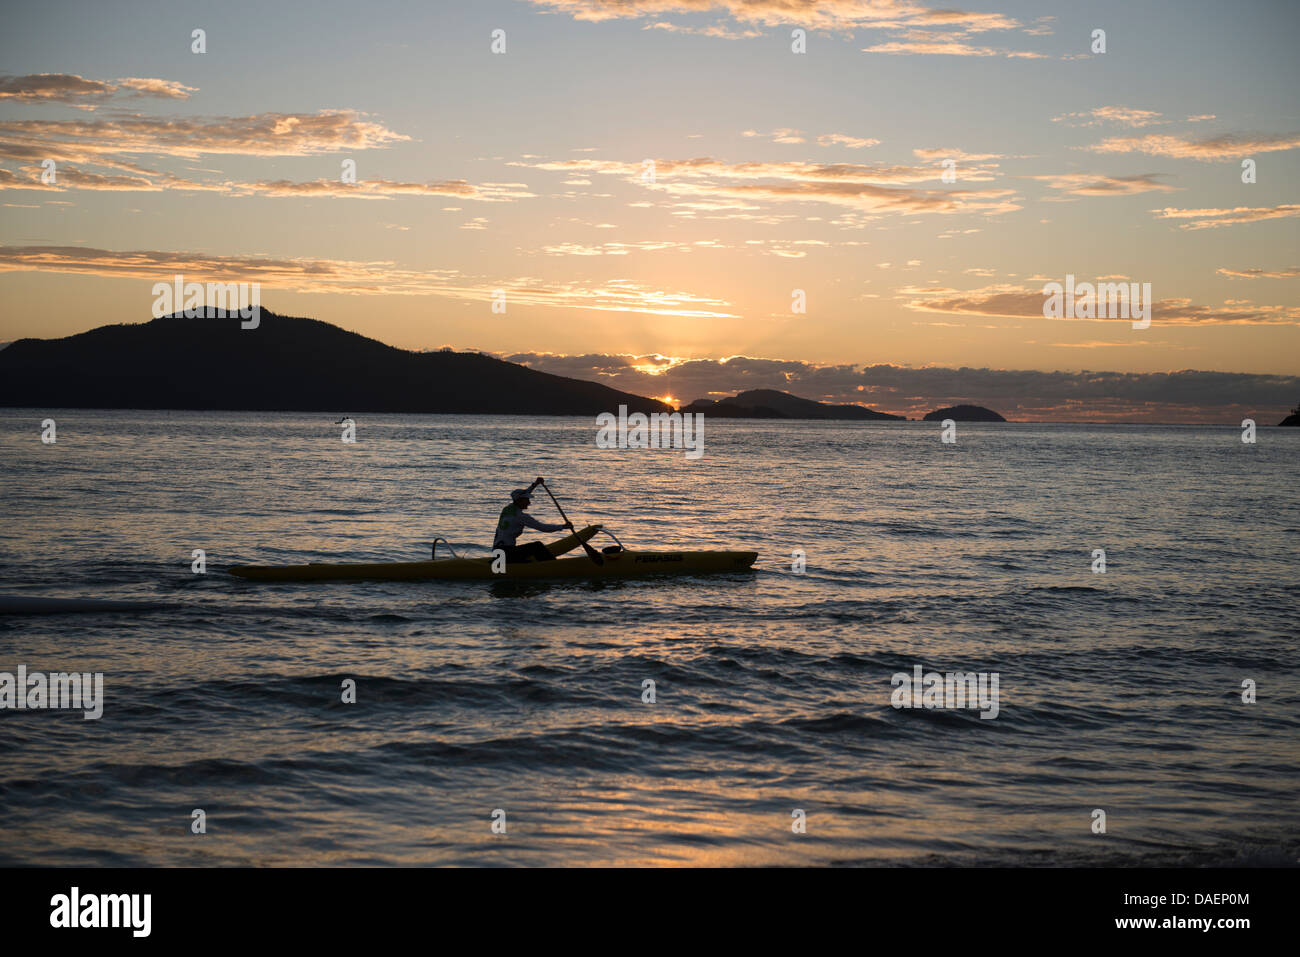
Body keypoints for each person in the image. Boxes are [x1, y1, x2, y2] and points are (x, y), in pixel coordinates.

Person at [493, 486, 571, 563]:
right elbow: (543, 528)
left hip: (497, 552)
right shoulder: (521, 516)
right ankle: (553, 567)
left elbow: (524, 493)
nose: (529, 503)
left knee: (533, 549)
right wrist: (563, 526)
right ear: (519, 501)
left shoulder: (507, 509)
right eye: (527, 500)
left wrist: (535, 484)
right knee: (537, 546)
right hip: (507, 553)